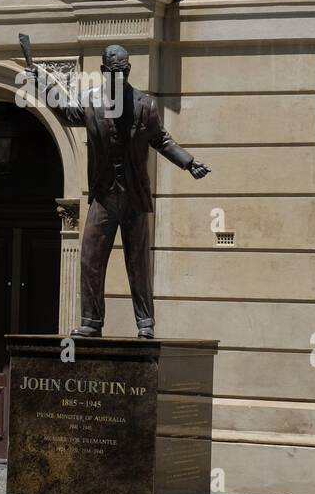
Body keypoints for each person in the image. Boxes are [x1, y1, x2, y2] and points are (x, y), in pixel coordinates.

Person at [26, 44, 209, 338]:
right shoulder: (91, 102)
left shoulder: (144, 105)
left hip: (134, 196)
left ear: (129, 71)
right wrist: (41, 83)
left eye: (124, 71)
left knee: (138, 263)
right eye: (114, 72)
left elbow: (161, 139)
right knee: (90, 258)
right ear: (103, 72)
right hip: (104, 196)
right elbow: (66, 112)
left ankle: (145, 324)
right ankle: (91, 321)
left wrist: (188, 163)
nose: (120, 77)